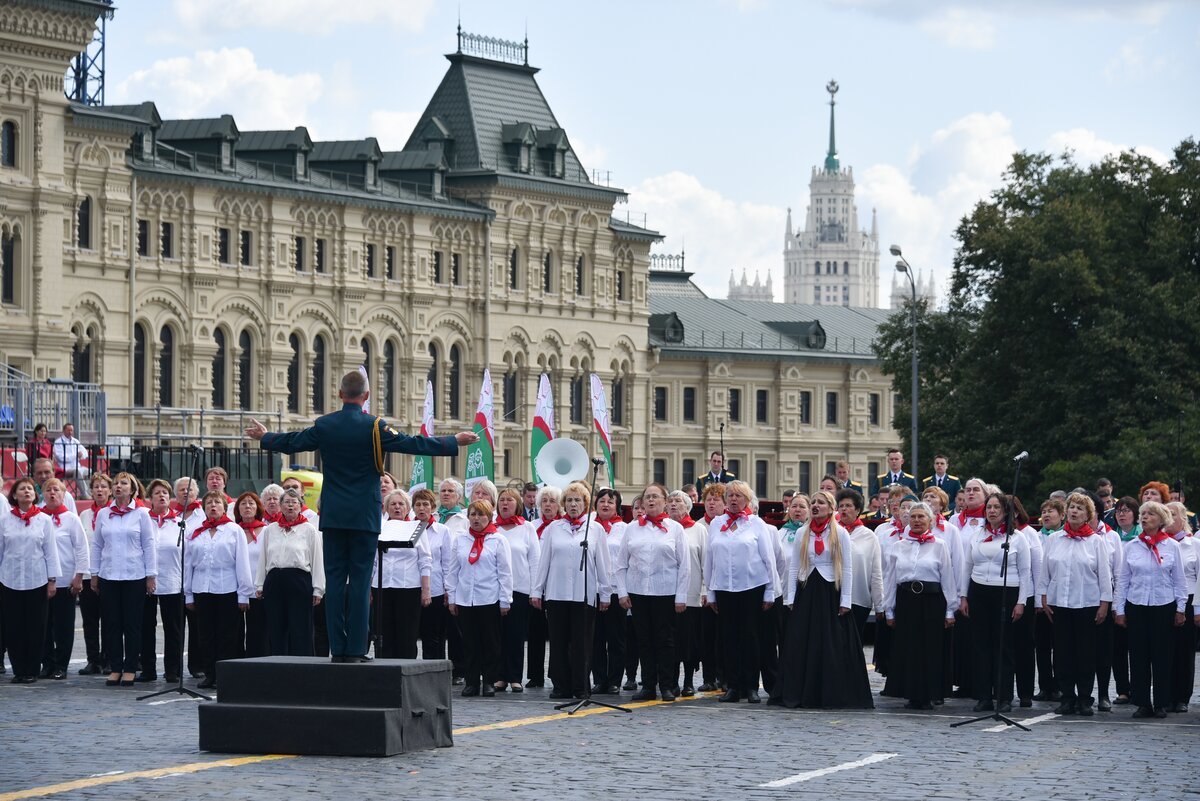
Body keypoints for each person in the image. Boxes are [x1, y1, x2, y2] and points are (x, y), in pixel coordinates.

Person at [245, 370, 474, 664]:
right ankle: (355, 649)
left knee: (336, 582)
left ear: (340, 395)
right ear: (366, 397)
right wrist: (453, 441)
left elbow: (293, 442)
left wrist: (266, 437)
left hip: (334, 515)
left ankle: (338, 648)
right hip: (364, 515)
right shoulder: (376, 426)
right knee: (361, 582)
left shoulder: (325, 424)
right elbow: (413, 443)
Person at [772, 490, 873, 709]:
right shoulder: (803, 533)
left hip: (830, 591)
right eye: (813, 502)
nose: (816, 506)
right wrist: (790, 597)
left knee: (831, 643)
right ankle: (800, 691)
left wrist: (846, 600)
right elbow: (793, 567)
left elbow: (846, 567)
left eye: (821, 503)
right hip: (807, 590)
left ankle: (830, 692)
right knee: (801, 641)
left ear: (831, 507)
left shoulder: (840, 533)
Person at [531, 481, 610, 700]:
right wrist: (537, 591)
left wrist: (605, 592)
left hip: (583, 594)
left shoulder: (595, 529)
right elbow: (544, 560)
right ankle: (560, 685)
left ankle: (580, 685)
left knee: (582, 642)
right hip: (557, 593)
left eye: (577, 500)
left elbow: (603, 563)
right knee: (558, 641)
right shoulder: (554, 528)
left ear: (585, 503)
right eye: (569, 500)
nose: (573, 504)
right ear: (563, 504)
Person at [1038, 492, 1112, 716]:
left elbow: (1104, 576)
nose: (1074, 511)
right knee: (1062, 653)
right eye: (1071, 507)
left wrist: (1104, 604)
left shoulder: (1096, 541)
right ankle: (1067, 697)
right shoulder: (1054, 539)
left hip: (1087, 603)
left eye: (1080, 508)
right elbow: (1045, 572)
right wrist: (1043, 596)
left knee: (1086, 654)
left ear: (1088, 515)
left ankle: (1085, 699)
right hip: (1060, 603)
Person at [960, 491, 1033, 713]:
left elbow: (1025, 571)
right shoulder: (977, 535)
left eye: (996, 508)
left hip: (1006, 592)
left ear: (1005, 512)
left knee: (1004, 647)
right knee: (981, 646)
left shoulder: (1017, 538)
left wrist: (1021, 602)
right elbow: (967, 566)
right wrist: (963, 596)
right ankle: (984, 696)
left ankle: (1004, 697)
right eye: (989, 507)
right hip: (979, 591)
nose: (992, 511)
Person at [1114, 500, 1188, 719]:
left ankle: (1161, 702)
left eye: (1150, 514)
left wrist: (1180, 608)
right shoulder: (1132, 546)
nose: (1145, 517)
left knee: (1162, 656)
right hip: (1137, 605)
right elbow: (1124, 580)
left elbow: (1179, 580)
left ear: (1161, 519)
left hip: (1163, 605)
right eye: (1143, 514)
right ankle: (1142, 702)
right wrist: (1120, 609)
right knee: (1138, 656)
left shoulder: (1171, 546)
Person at [704, 480, 775, 703]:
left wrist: (770, 591)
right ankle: (733, 686)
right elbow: (709, 559)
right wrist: (711, 591)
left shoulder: (756, 524)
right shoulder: (716, 524)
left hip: (751, 587)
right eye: (730, 495)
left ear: (747, 500)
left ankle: (751, 686)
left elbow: (768, 559)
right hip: (725, 587)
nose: (734, 499)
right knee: (729, 638)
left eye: (739, 496)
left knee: (750, 638)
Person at [617, 482, 688, 702]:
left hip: (665, 591)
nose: (650, 500)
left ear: (665, 502)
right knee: (644, 640)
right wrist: (622, 592)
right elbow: (621, 564)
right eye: (647, 497)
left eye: (655, 496)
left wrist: (681, 596)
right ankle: (648, 685)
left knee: (665, 640)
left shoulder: (675, 529)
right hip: (638, 591)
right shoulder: (632, 528)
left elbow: (684, 565)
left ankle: (666, 685)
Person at [882, 502, 956, 709]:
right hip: (907, 600)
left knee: (931, 648)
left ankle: (931, 693)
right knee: (909, 648)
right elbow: (891, 578)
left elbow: (947, 577)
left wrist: (951, 608)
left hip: (932, 600)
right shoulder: (898, 546)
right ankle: (911, 693)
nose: (916, 520)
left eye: (921, 517)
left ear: (930, 521)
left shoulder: (940, 545)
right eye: (913, 517)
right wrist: (889, 608)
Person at [91, 472, 157, 687]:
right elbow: (98, 545)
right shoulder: (103, 513)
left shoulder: (141, 514)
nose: (119, 487)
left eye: (124, 483)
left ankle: (130, 667)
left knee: (132, 624)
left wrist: (150, 575)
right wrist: (94, 573)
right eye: (116, 483)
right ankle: (115, 667)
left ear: (133, 489)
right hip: (109, 574)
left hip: (134, 575)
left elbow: (148, 545)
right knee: (111, 623)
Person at [184, 490, 254, 689]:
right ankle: (209, 673)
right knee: (205, 634)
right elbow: (189, 563)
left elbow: (242, 562)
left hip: (227, 588)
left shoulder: (233, 530)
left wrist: (244, 593)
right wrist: (188, 593)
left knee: (227, 635)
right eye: (208, 503)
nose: (213, 506)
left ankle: (225, 674)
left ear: (224, 507)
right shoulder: (196, 532)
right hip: (202, 588)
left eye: (217, 503)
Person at [447, 500, 512, 697]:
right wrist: (452, 597)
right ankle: (472, 681)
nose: (476, 519)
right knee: (469, 642)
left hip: (489, 597)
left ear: (489, 517)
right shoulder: (460, 540)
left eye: (481, 515)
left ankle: (489, 681)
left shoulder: (498, 540)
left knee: (490, 641)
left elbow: (505, 573)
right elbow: (453, 570)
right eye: (473, 515)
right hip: (466, 598)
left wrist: (505, 599)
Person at [1, 477, 60, 683]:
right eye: (21, 489)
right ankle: (19, 669)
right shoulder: (5, 520)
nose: (26, 491)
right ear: (15, 495)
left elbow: (50, 551)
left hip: (37, 579)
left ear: (35, 495)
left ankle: (32, 669)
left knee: (36, 626)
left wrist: (52, 580)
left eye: (30, 489)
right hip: (10, 579)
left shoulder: (43, 520)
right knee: (14, 626)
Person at [256, 488, 325, 656]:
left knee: (300, 627)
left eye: (294, 503)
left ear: (301, 506)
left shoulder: (309, 530)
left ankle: (303, 667)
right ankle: (278, 665)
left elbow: (317, 559)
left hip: (299, 580)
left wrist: (318, 588)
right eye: (286, 502)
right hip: (275, 579)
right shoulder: (270, 529)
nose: (290, 506)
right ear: (280, 506)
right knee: (277, 627)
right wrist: (260, 584)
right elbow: (263, 557)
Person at [38, 478, 87, 680]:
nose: (52, 493)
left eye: (56, 490)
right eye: (48, 490)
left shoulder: (70, 519)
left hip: (65, 579)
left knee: (63, 625)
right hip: (41, 579)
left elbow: (82, 549)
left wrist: (79, 577)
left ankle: (61, 664)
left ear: (63, 494)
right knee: (43, 625)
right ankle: (47, 663)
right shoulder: (38, 517)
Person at [374, 489, 431, 659]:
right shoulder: (380, 527)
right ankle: (383, 670)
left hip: (408, 587)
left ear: (407, 508)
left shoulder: (417, 527)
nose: (397, 507)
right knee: (384, 632)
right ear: (386, 507)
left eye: (401, 504)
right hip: (382, 586)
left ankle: (406, 670)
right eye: (393, 504)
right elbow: (373, 560)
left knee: (407, 633)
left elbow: (425, 560)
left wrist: (426, 589)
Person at [137, 480, 184, 683]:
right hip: (145, 580)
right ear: (150, 498)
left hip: (172, 580)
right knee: (145, 627)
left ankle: (173, 670)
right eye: (157, 493)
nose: (162, 496)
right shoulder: (143, 520)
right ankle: (148, 668)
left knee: (173, 628)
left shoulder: (179, 522)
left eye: (165, 492)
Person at [494, 487, 538, 692]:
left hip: (520, 588)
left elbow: (534, 560)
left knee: (516, 634)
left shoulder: (527, 528)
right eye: (502, 500)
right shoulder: (493, 527)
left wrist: (534, 591)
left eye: (509, 500)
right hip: (495, 589)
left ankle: (514, 676)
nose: (505, 503)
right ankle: (499, 675)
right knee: (497, 634)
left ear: (517, 504)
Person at [667, 489, 707, 697]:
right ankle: (671, 680)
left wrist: (705, 589)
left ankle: (689, 680)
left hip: (691, 594)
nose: (673, 504)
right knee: (671, 639)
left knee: (689, 640)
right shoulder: (665, 529)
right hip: (668, 592)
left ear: (688, 506)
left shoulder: (698, 530)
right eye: (670, 501)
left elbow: (705, 562)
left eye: (678, 501)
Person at [591, 487, 628, 695]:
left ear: (617, 506)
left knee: (616, 639)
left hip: (615, 590)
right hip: (593, 590)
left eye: (610, 502)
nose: (605, 504)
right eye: (602, 501)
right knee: (596, 638)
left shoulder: (624, 528)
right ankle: (599, 679)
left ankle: (614, 679)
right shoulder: (589, 527)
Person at [1010, 495, 1043, 708]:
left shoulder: (1029, 534)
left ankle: (1025, 692)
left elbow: (1037, 569)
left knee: (1024, 646)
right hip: (1002, 592)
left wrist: (1038, 600)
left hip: (1027, 595)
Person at [526, 485, 561, 689]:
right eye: (544, 501)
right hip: (537, 585)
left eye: (552, 501)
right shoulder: (532, 526)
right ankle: (535, 674)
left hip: (556, 584)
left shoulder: (563, 525)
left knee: (557, 634)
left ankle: (556, 674)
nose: (548, 505)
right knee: (535, 632)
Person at [412, 488, 453, 662]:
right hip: (412, 587)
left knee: (435, 634)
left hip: (436, 589)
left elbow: (448, 563)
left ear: (433, 507)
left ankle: (437, 671)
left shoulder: (442, 531)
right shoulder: (408, 529)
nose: (422, 508)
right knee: (413, 632)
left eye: (425, 504)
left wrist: (447, 589)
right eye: (418, 504)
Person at [76, 472, 111, 675]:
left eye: (103, 486)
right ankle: (93, 659)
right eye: (96, 486)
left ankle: (108, 658)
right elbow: (81, 545)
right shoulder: (85, 515)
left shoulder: (114, 513)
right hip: (90, 573)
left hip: (108, 573)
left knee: (109, 619)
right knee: (90, 620)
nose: (99, 490)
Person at [1164, 501, 1197, 712]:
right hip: (1165, 600)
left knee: (1185, 651)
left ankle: (1182, 696)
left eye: (1173, 514)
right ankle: (1165, 694)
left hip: (1190, 599)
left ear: (1183, 518)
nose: (1169, 518)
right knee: (1165, 651)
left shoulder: (1194, 544)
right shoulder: (1158, 544)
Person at [1032, 497, 1065, 703]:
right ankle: (1045, 686)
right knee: (1042, 646)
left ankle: (1060, 685)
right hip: (1040, 599)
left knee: (1060, 646)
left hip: (1059, 598)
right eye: (1044, 511)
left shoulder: (1064, 538)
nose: (1046, 514)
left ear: (1062, 516)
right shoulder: (1036, 537)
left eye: (1051, 511)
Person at [1107, 495, 1138, 705]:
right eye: (1119, 510)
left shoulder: (1143, 536)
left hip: (1137, 598)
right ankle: (1122, 690)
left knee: (1137, 648)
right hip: (1116, 597)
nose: (1121, 514)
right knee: (1117, 648)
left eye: (1126, 510)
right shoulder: (1111, 536)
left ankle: (1138, 687)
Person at [697, 483, 728, 693]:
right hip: (704, 590)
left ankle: (724, 676)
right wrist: (704, 590)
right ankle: (709, 677)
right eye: (708, 499)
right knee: (706, 637)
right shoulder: (699, 525)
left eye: (716, 499)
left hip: (724, 586)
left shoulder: (727, 525)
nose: (711, 503)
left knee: (723, 636)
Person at [839, 489, 882, 640]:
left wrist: (879, 604)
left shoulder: (869, 536)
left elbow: (876, 572)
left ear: (857, 510)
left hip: (859, 599)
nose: (844, 509)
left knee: (854, 643)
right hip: (834, 597)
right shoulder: (831, 532)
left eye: (848, 506)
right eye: (841, 505)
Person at [234, 491, 269, 658]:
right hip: (236, 590)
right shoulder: (233, 531)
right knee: (235, 633)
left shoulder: (267, 531)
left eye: (251, 503)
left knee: (258, 632)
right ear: (237, 510)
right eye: (243, 504)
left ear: (258, 508)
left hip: (258, 591)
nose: (247, 506)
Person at [52, 422, 90, 499]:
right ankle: (84, 494)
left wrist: (81, 455)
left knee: (91, 471)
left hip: (78, 466)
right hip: (65, 468)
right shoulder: (58, 442)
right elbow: (61, 458)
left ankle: (89, 492)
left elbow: (85, 452)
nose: (70, 432)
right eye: (68, 430)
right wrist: (76, 455)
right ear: (64, 430)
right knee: (77, 472)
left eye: (71, 430)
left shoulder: (75, 441)